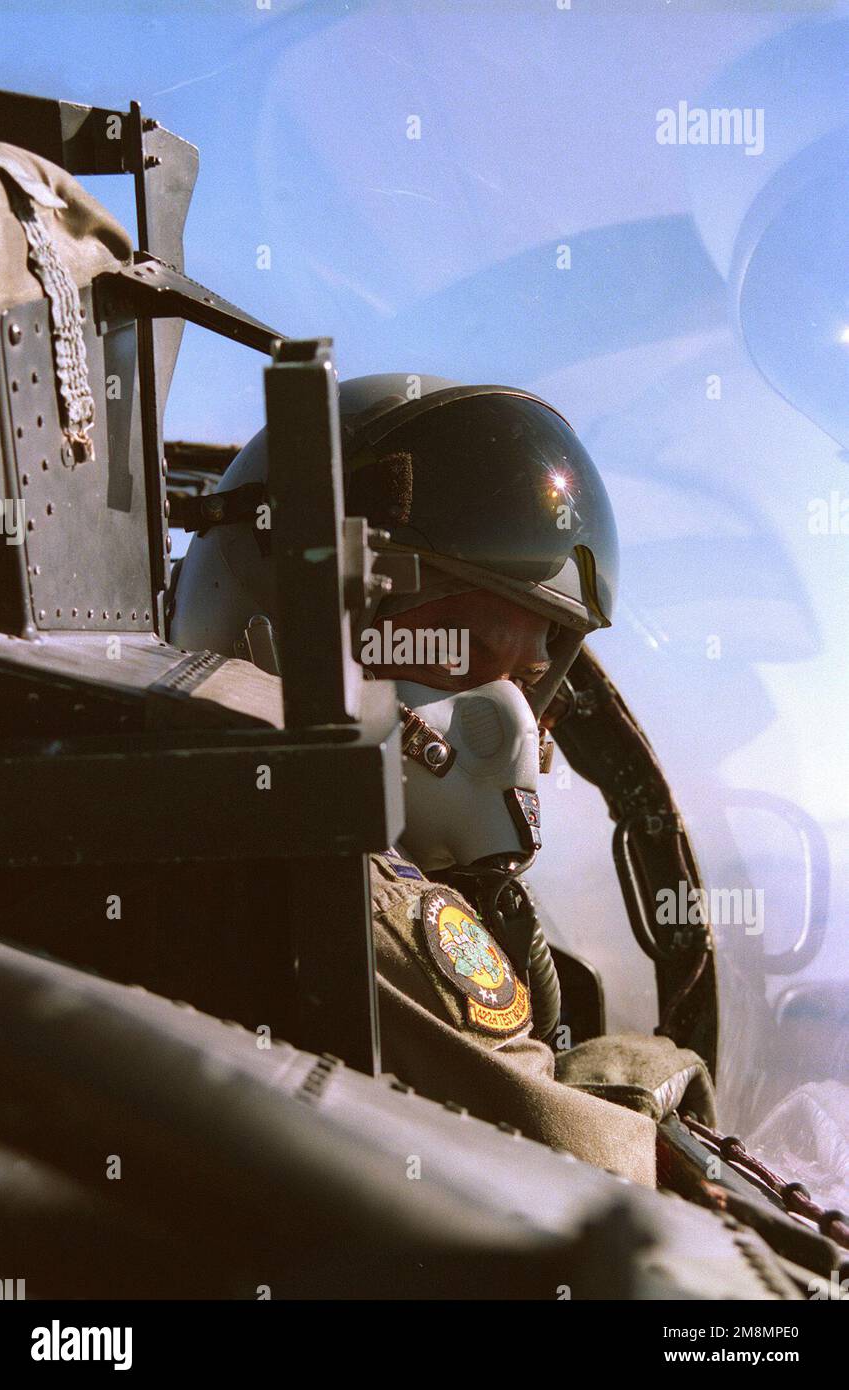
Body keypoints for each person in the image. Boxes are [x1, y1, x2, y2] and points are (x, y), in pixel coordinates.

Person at [171, 373, 715, 1185]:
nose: (513, 724)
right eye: (461, 649)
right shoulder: (362, 901)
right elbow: (584, 1180)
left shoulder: (206, 817)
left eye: (526, 671)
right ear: (294, 631)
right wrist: (640, 1086)